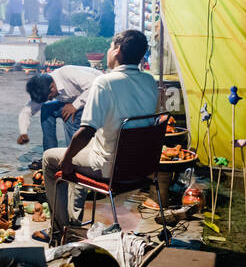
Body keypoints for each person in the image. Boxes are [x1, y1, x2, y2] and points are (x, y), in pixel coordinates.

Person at [38, 30, 160, 243]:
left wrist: (67, 159)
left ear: (117, 51)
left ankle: (60, 233)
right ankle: (73, 224)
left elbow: (86, 132)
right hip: (141, 167)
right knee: (78, 153)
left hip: (110, 167)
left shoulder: (104, 83)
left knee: (51, 159)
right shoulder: (149, 82)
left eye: (110, 47)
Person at [17, 65, 103, 167]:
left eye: (49, 97)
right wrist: (23, 132)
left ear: (52, 88)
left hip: (97, 100)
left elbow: (97, 86)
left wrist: (75, 106)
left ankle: (74, 158)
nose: (49, 99)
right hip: (74, 102)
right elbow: (27, 111)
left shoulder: (67, 73)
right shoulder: (43, 87)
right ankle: (50, 156)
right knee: (47, 109)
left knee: (69, 115)